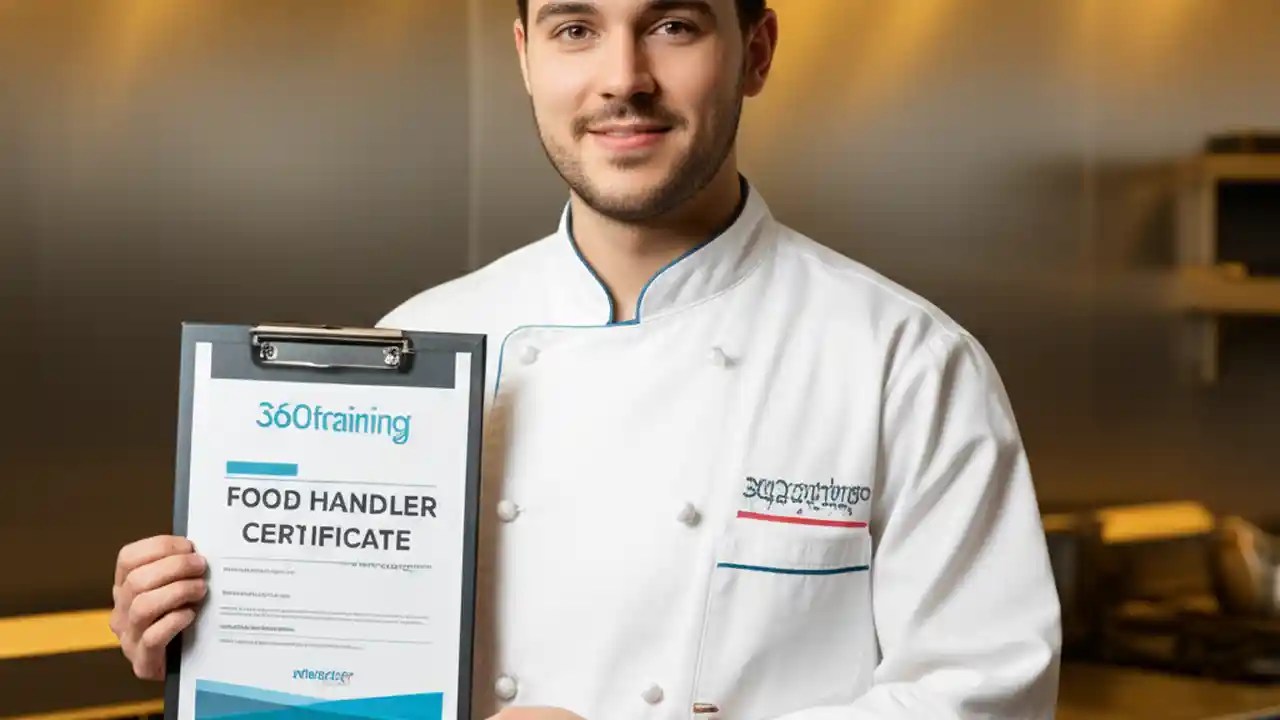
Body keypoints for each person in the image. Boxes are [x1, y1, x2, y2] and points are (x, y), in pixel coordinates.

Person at [109, 0, 1062, 717]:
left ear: (756, 51)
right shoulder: (415, 353)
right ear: (525, 55)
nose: (623, 78)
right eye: (575, 28)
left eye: (674, 25)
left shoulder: (905, 362)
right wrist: (212, 637)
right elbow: (341, 679)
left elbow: (987, 698)